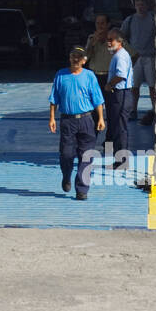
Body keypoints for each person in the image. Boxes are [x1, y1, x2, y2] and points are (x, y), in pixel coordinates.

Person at [48, 48, 105, 200]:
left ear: (84, 61)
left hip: (86, 119)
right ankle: (66, 175)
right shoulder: (61, 75)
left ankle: (82, 189)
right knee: (66, 154)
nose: (75, 59)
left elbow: (97, 99)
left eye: (79, 57)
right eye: (73, 56)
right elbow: (54, 98)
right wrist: (52, 118)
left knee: (86, 156)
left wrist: (100, 118)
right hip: (68, 120)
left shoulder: (89, 76)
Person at [120, 0, 156, 124]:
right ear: (135, 6)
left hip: (150, 57)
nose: (140, 7)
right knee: (134, 87)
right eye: (138, 5)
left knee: (153, 87)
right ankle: (133, 110)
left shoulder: (154, 19)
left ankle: (155, 111)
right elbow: (122, 36)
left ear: (147, 6)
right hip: (135, 58)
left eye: (143, 5)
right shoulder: (130, 20)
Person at [103, 29, 134, 169]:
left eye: (112, 40)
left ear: (119, 41)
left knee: (120, 127)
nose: (109, 42)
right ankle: (118, 156)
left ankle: (122, 160)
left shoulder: (120, 56)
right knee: (116, 125)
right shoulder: (119, 55)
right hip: (118, 94)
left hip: (120, 93)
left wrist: (109, 84)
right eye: (108, 39)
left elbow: (121, 75)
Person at [84, 14, 113, 86]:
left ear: (108, 24)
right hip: (94, 74)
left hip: (110, 74)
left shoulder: (114, 38)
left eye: (102, 23)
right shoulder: (91, 38)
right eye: (97, 23)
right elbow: (85, 58)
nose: (100, 26)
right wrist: (92, 44)